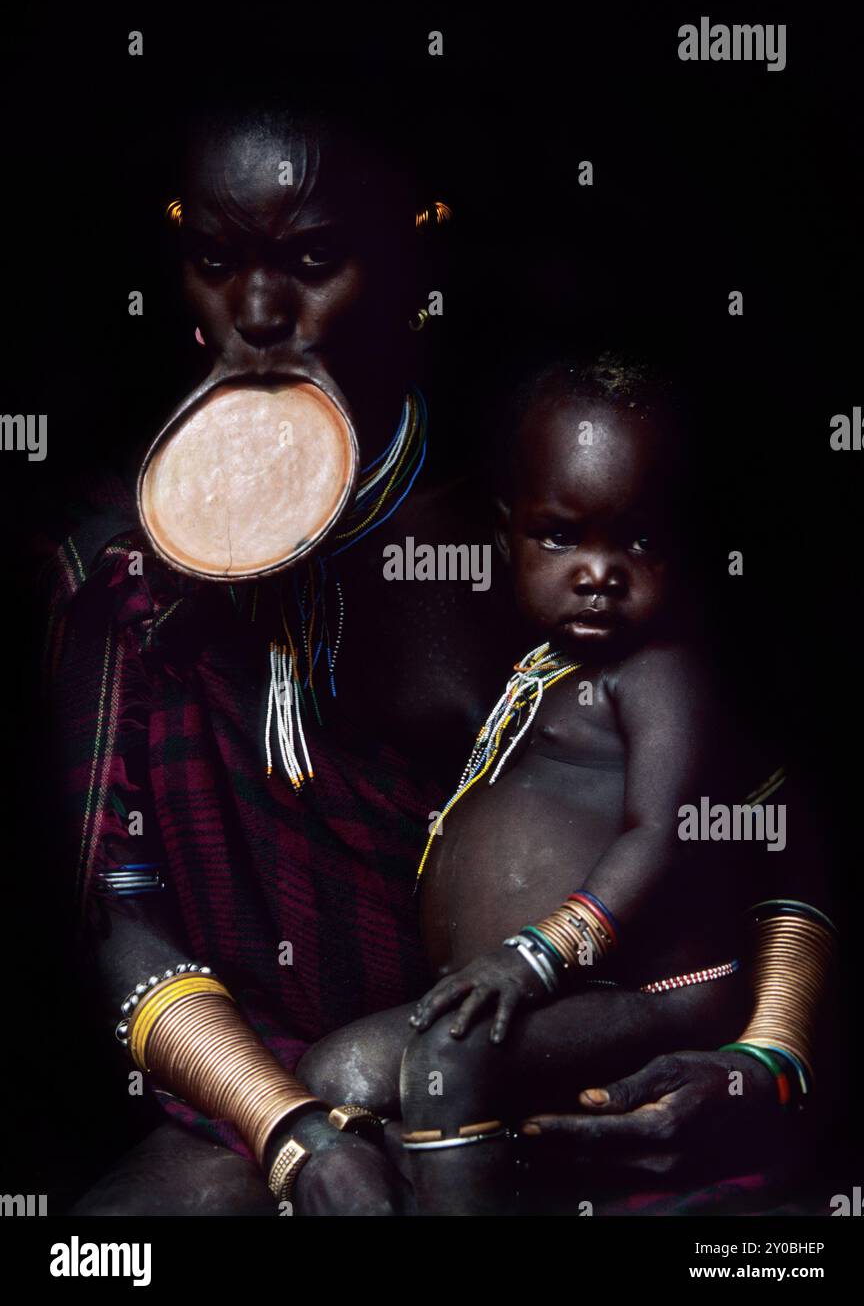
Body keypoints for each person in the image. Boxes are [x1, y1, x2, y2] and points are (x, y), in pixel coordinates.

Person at [48, 92, 832, 1216]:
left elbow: (756, 816)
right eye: (215, 260)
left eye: (315, 259)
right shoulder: (121, 576)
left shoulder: (545, 531)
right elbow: (119, 914)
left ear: (418, 256)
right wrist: (293, 1137)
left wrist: (766, 1061)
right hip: (286, 1095)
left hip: (553, 1063)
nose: (258, 310)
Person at [294, 357, 834, 1214]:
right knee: (334, 1073)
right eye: (561, 538)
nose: (599, 572)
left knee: (446, 1061)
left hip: (640, 991)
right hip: (527, 990)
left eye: (639, 541)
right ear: (508, 532)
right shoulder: (541, 666)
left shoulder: (660, 672)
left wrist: (535, 955)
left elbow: (662, 832)